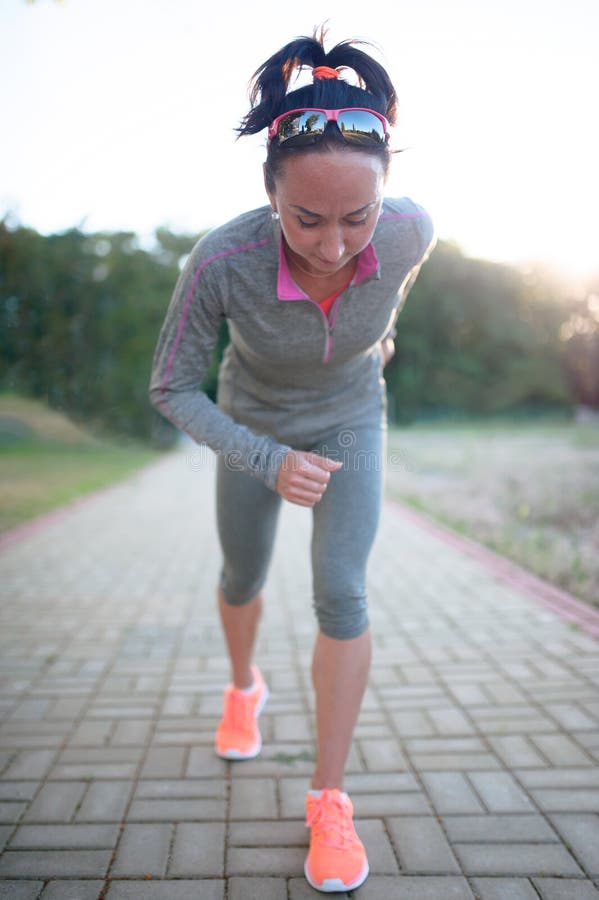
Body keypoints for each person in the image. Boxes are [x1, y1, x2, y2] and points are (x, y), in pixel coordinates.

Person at [149, 29, 435, 894]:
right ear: (270, 195)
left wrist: (373, 346)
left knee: (341, 590)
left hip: (350, 417)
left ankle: (328, 796)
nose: (335, 245)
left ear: (385, 198)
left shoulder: (410, 231)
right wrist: (264, 457)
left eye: (358, 217)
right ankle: (245, 687)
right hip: (251, 421)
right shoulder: (221, 261)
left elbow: (385, 295)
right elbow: (170, 389)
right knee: (243, 573)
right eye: (307, 219)